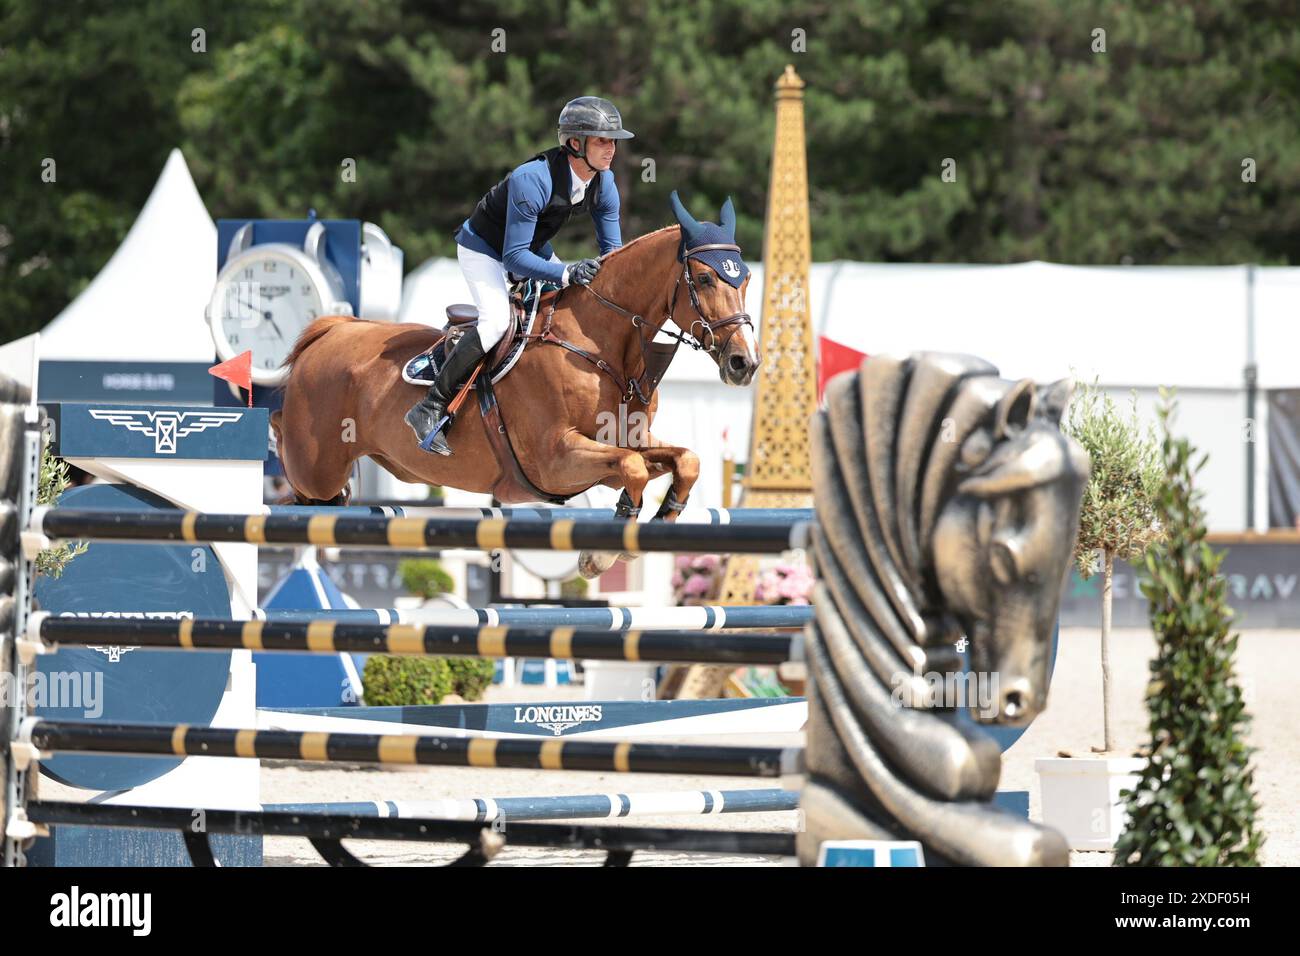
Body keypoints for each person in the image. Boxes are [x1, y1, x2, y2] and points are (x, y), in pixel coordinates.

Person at [405, 96, 633, 454]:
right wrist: (566, 271)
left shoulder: (604, 184)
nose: (611, 149)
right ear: (576, 143)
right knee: (496, 321)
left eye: (613, 141)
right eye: (602, 140)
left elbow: (614, 254)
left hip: (532, 247)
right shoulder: (532, 179)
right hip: (484, 248)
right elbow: (513, 257)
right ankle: (429, 407)